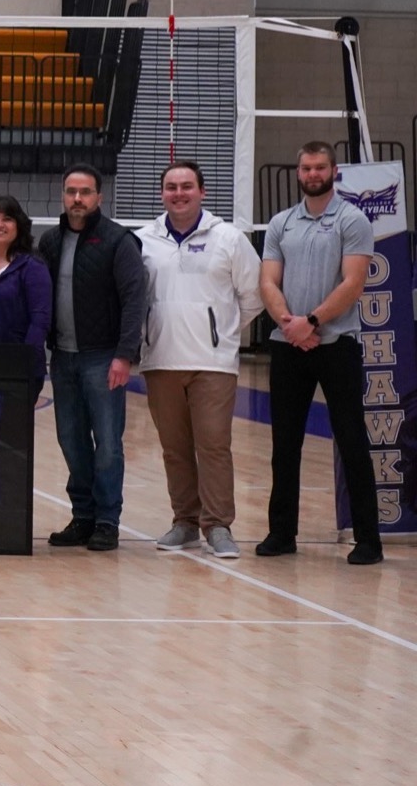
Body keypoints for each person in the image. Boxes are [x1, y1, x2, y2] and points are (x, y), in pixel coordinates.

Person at [257, 142, 382, 565]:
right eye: (306, 167)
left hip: (336, 345)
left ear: (334, 171)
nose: (313, 174)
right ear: (298, 172)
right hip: (289, 344)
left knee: (350, 439)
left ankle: (368, 539)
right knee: (284, 442)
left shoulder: (353, 219)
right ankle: (281, 533)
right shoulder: (281, 223)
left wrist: (310, 321)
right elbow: (269, 282)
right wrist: (289, 324)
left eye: (320, 167)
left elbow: (353, 283)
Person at [138, 161, 261, 560]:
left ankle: (219, 525)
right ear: (162, 194)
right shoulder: (143, 241)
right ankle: (185, 523)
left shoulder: (228, 238)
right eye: (171, 187)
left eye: (186, 186)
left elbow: (253, 296)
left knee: (213, 445)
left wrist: (221, 332)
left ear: (202, 192)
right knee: (174, 448)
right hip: (160, 360)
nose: (178, 193)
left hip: (213, 364)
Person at [36, 164, 146, 554]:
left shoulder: (119, 242)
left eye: (85, 192)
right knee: (71, 441)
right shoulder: (49, 242)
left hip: (104, 358)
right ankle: (82, 516)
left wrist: (124, 355)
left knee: (108, 444)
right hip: (62, 358)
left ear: (99, 197)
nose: (77, 199)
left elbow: (135, 302)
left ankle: (106, 521)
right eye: (70, 192)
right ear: (63, 196)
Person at [0, 195, 52, 401]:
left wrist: (22, 364)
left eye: (7, 219)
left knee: (10, 431)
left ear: (18, 225)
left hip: (14, 367)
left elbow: (40, 321)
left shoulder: (32, 266)